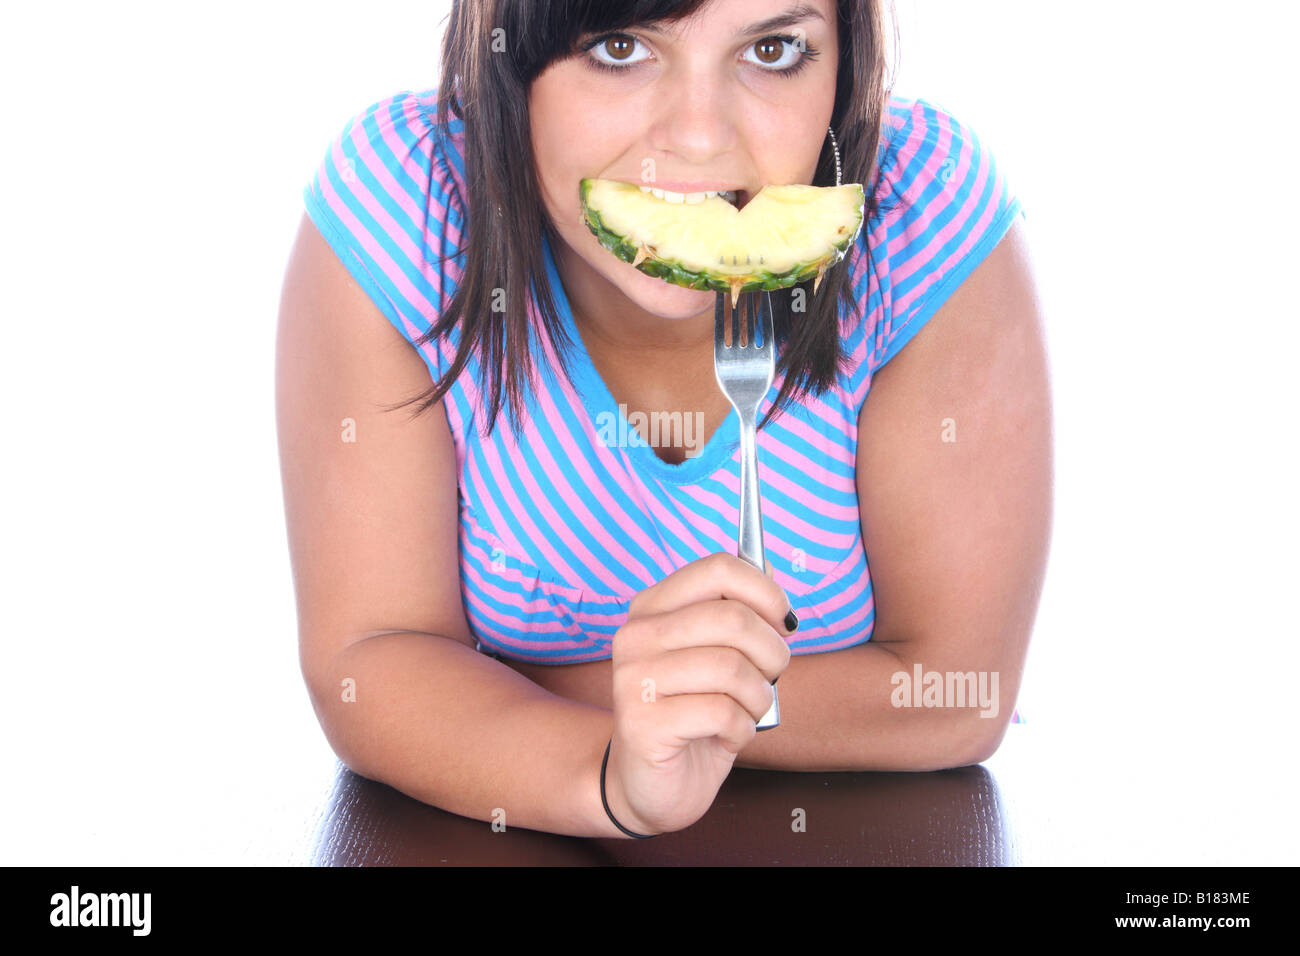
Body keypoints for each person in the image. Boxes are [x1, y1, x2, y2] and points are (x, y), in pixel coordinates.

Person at [276, 0, 1052, 839]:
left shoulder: (925, 213)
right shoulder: (402, 206)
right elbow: (373, 659)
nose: (699, 138)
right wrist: (611, 773)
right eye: (619, 48)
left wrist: (521, 695)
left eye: (773, 49)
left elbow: (956, 694)